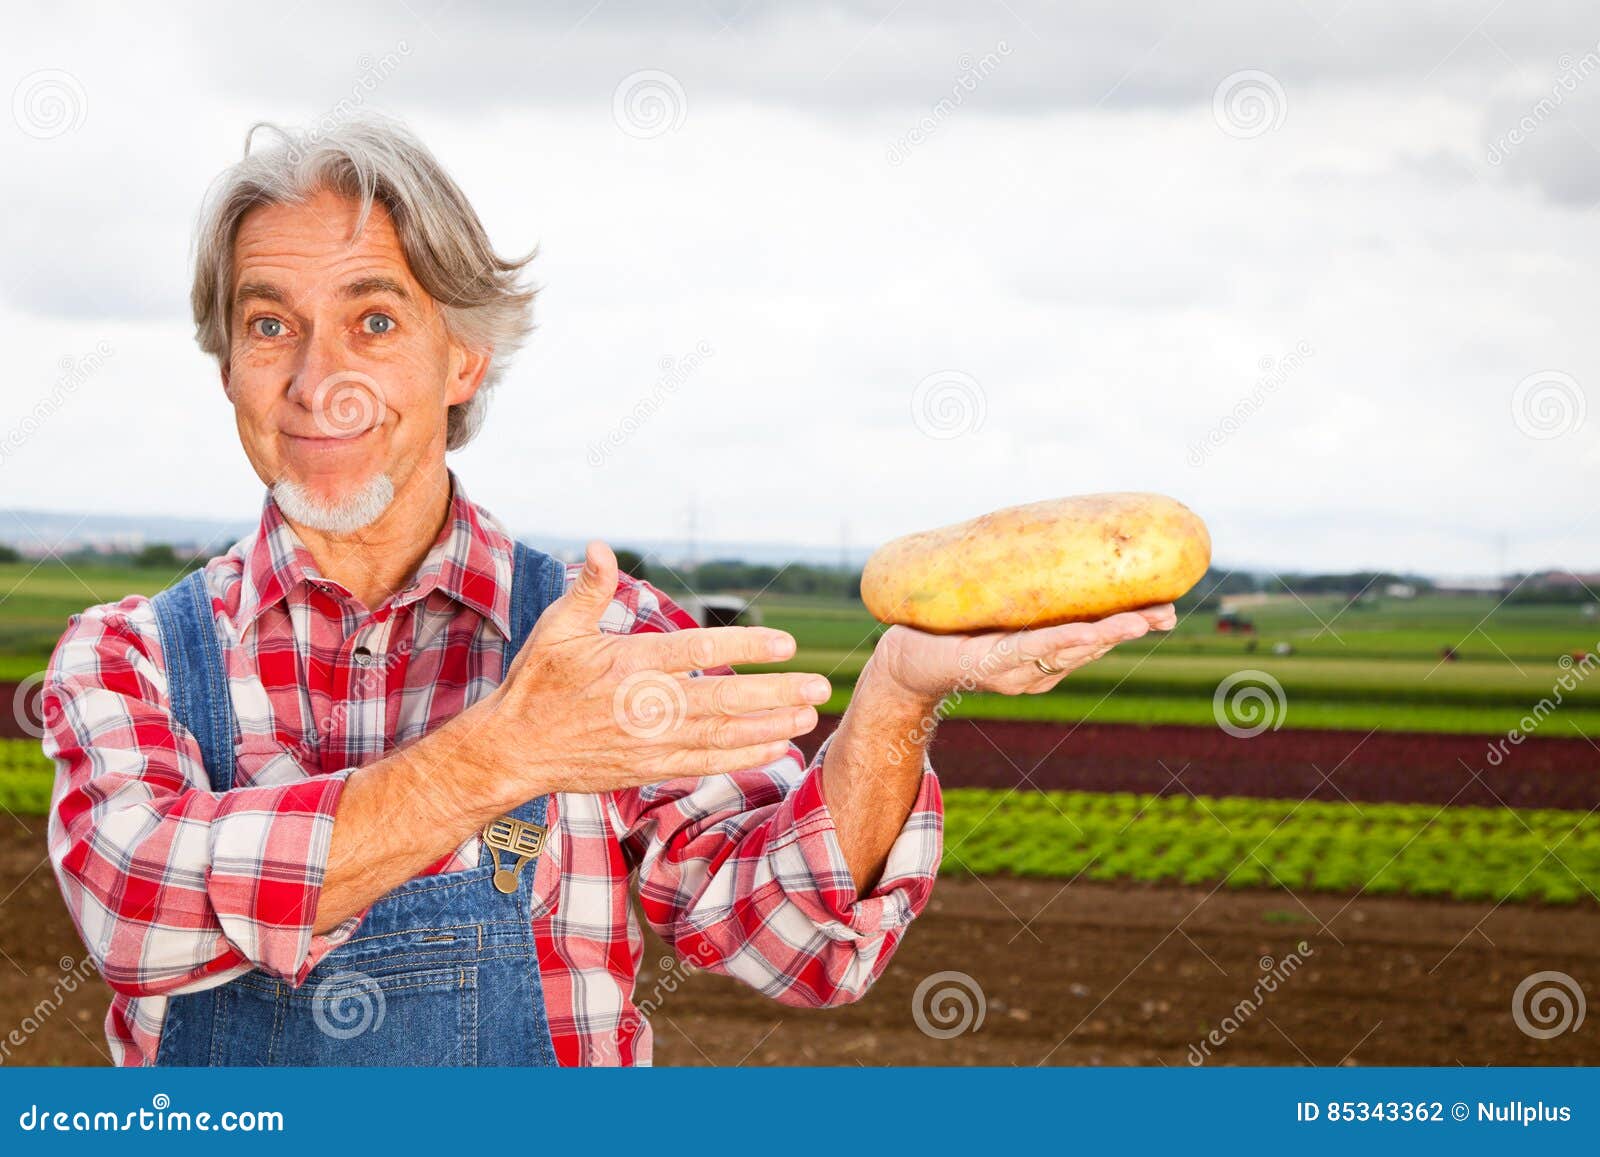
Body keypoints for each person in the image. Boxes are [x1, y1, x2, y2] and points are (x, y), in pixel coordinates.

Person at [41, 115, 1173, 1066]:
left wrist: (893, 700)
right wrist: (505, 753)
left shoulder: (608, 636)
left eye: (374, 320)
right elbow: (140, 913)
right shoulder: (128, 657)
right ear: (229, 365)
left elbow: (798, 937)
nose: (315, 377)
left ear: (464, 359)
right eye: (268, 322)